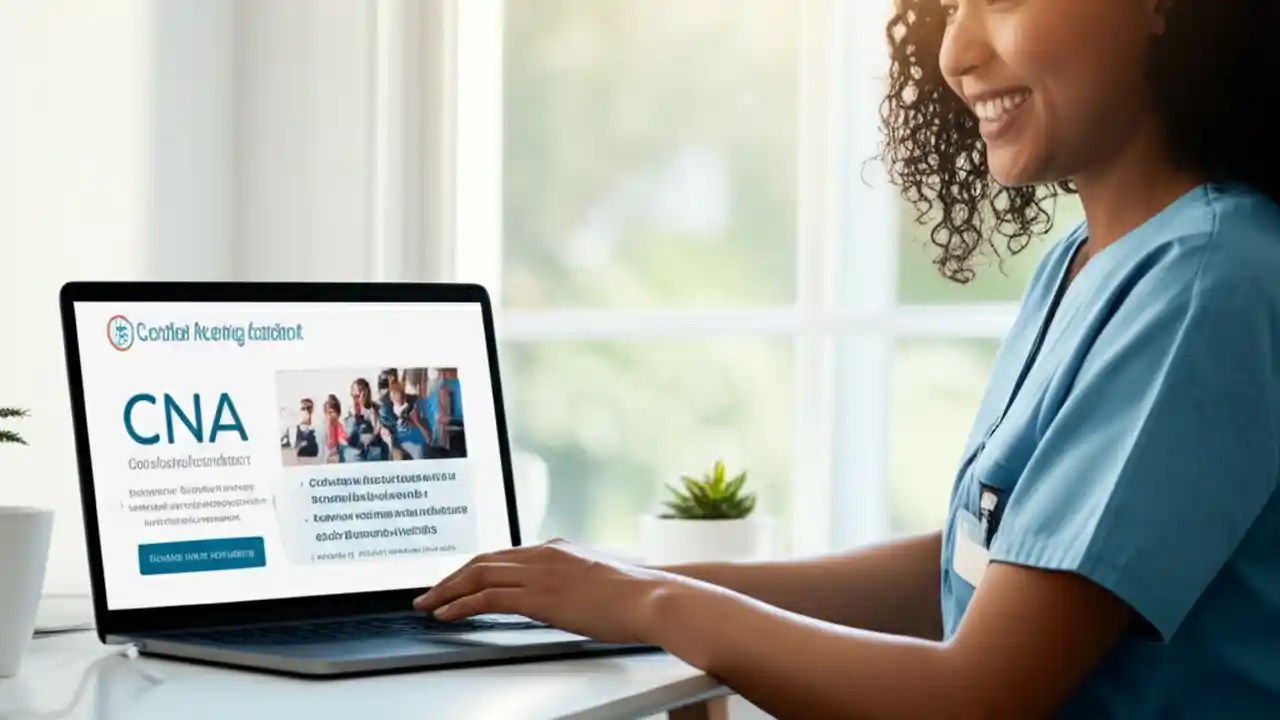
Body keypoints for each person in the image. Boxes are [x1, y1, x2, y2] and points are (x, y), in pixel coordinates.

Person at [411, 1, 1280, 717]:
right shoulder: (1088, 262)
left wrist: (650, 603)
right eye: (950, 8)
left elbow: (975, 697)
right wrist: (629, 578)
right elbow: (975, 575)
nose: (958, 53)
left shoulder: (1207, 283)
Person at [343, 378, 388, 462]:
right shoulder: (350, 414)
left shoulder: (376, 410)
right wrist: (356, 414)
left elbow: (376, 430)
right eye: (353, 396)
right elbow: (349, 437)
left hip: (374, 453)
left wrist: (365, 408)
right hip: (357, 454)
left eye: (357, 396)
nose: (356, 400)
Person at [322, 395, 346, 464]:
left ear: (338, 413)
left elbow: (343, 441)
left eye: (333, 412)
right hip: (328, 458)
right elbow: (330, 444)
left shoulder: (340, 427)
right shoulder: (324, 426)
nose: (330, 416)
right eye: (328, 413)